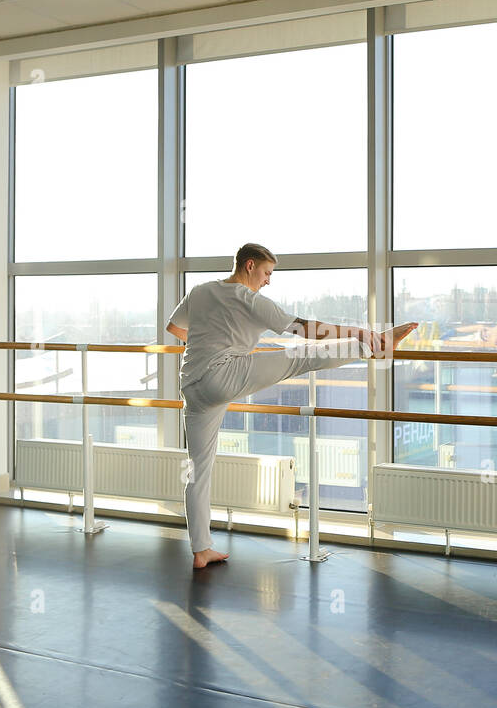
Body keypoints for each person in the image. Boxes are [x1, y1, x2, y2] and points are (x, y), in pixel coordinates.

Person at [166, 243, 418, 569]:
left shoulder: (200, 291)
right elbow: (307, 331)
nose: (268, 280)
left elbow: (174, 328)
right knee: (299, 358)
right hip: (224, 376)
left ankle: (201, 549)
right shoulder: (250, 300)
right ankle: (378, 345)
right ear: (250, 265)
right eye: (267, 273)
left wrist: (210, 340)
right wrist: (362, 332)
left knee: (197, 470)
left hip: (191, 385)